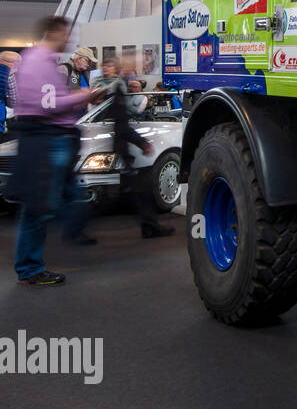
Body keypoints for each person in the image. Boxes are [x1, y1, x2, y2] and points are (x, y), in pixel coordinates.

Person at [11, 16, 107, 286]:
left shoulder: (37, 60)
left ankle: (32, 263)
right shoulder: (40, 62)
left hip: (47, 137)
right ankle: (30, 268)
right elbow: (48, 103)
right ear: (53, 32)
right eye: (66, 33)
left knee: (45, 204)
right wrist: (84, 96)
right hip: (46, 138)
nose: (69, 39)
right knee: (39, 207)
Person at [100, 58, 174, 239]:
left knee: (139, 190)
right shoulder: (117, 88)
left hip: (120, 146)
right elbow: (122, 125)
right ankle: (149, 226)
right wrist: (142, 143)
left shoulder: (115, 88)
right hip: (121, 147)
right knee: (141, 190)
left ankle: (149, 226)